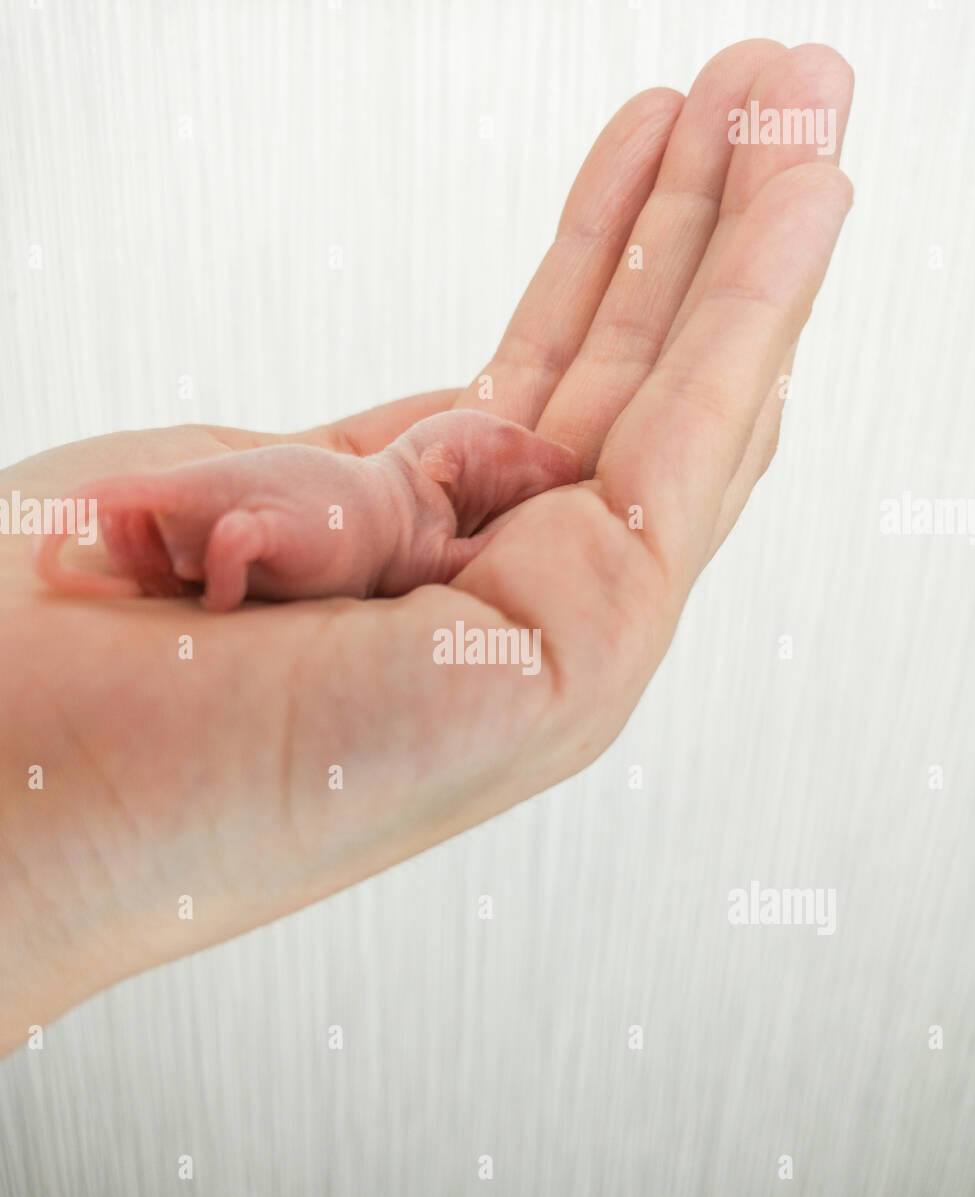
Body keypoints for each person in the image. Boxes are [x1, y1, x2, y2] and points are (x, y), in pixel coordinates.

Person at [0, 41, 854, 1058]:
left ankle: (203, 551)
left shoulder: (407, 492)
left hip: (265, 516)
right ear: (450, 472)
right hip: (267, 521)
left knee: (225, 524)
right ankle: (215, 555)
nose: (516, 472)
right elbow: (429, 558)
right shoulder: (411, 519)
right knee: (237, 528)